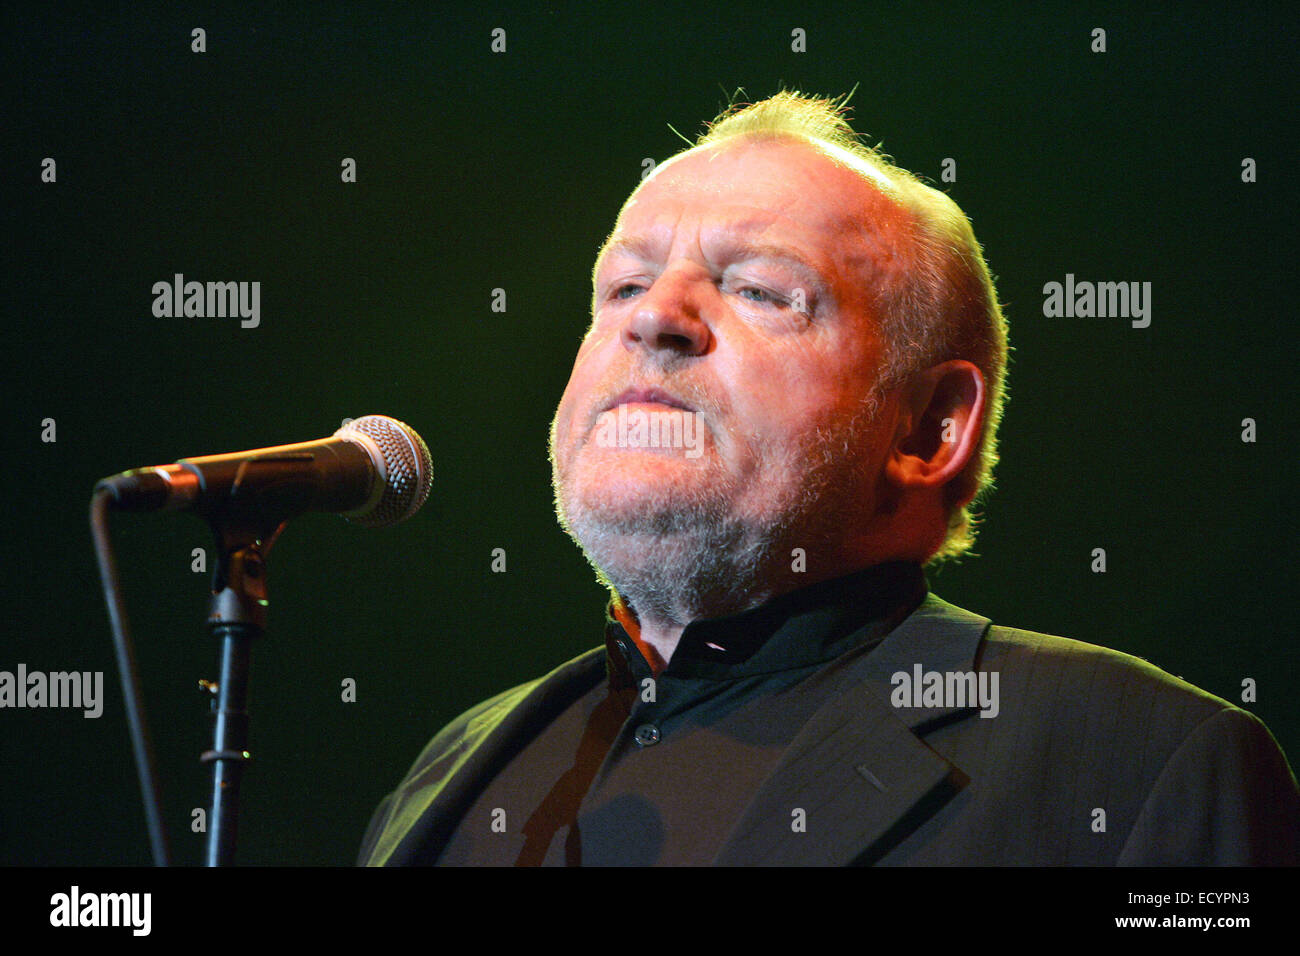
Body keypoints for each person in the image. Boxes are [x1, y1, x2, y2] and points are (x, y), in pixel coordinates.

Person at [358, 91, 1299, 866]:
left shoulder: (1137, 764)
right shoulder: (456, 771)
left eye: (762, 290)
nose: (656, 320)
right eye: (624, 285)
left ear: (929, 426)